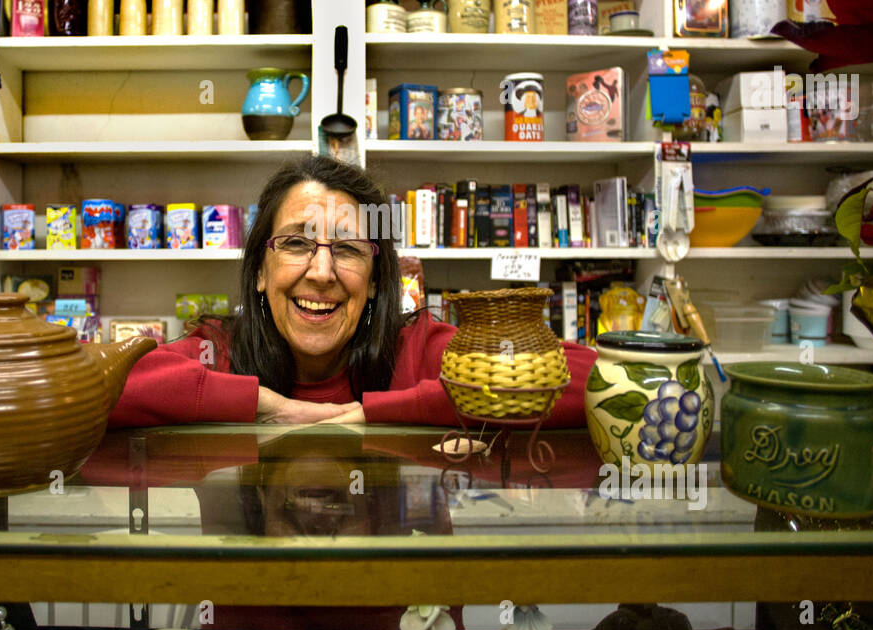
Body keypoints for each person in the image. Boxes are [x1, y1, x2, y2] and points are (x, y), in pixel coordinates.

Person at [108, 155, 596, 429]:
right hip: (249, 609)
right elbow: (100, 383)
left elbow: (594, 379)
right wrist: (267, 403)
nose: (321, 272)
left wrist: (375, 413)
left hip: (402, 611)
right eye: (297, 243)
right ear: (259, 269)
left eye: (347, 250)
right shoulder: (220, 352)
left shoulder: (418, 350)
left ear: (377, 278)